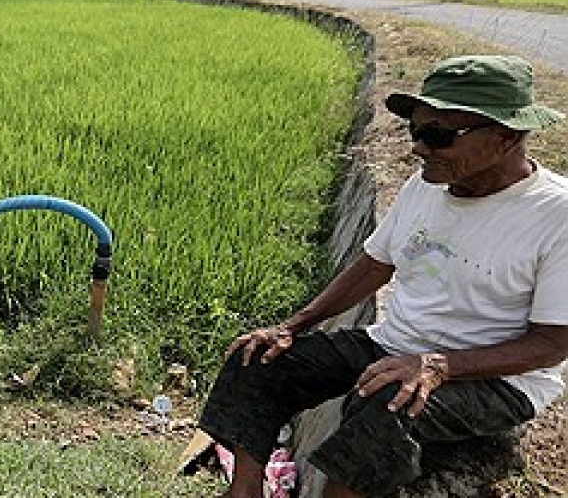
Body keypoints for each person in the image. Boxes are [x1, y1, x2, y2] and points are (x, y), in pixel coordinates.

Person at [198, 55, 568, 497]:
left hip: (493, 379)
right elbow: (375, 264)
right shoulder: (425, 185)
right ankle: (244, 492)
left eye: (439, 135)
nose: (419, 148)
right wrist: (291, 327)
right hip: (395, 345)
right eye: (416, 131)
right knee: (258, 362)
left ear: (506, 139)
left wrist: (439, 366)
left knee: (383, 407)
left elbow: (553, 344)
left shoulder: (555, 216)